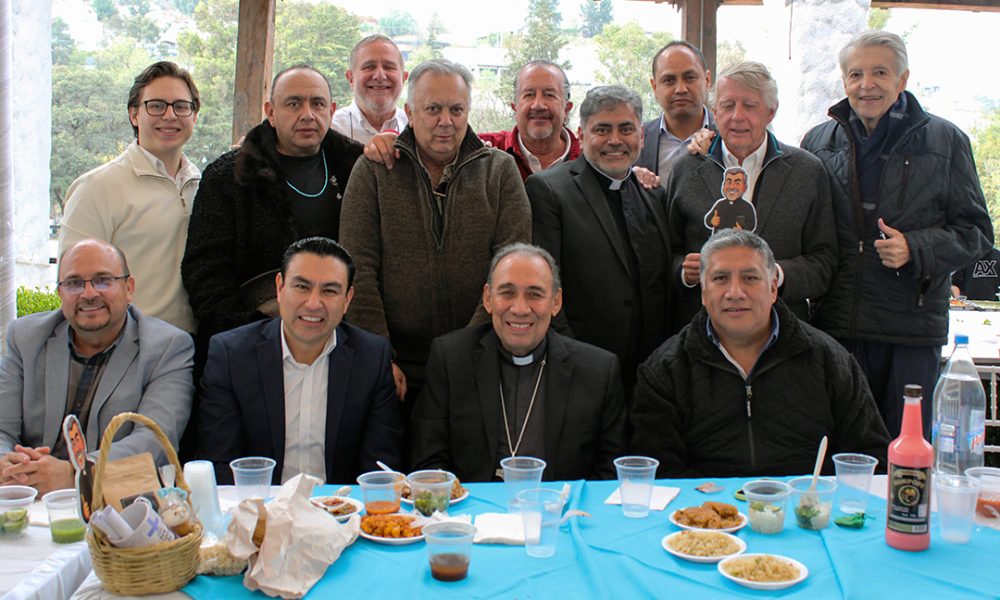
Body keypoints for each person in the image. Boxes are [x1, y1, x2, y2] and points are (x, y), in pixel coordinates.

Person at [801, 31, 993, 437]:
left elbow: (976, 234)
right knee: (837, 454)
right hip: (836, 327)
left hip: (910, 330)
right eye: (855, 74)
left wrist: (915, 247)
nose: (866, 84)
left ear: (902, 79)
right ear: (844, 81)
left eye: (879, 72)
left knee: (904, 458)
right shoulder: (819, 142)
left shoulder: (945, 140)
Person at [339, 59, 531, 406]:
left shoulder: (500, 172)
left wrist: (468, 353)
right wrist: (378, 356)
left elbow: (510, 269)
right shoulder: (374, 172)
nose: (446, 121)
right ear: (410, 112)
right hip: (394, 367)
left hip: (481, 361)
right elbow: (358, 270)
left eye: (457, 109)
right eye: (433, 109)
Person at [629, 230, 889, 478]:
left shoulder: (830, 361)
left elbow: (870, 460)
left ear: (774, 288)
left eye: (750, 278)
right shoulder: (665, 370)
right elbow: (659, 474)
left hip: (806, 515)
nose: (735, 293)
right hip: (704, 518)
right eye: (720, 279)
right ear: (703, 293)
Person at [411, 243, 627, 482]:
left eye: (535, 294)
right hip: (471, 513)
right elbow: (428, 464)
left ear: (556, 302)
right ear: (488, 298)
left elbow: (610, 473)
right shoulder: (450, 359)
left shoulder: (598, 371)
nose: (520, 309)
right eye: (507, 293)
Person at [198, 237, 402, 485]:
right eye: (302, 287)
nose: (314, 303)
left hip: (342, 513)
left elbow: (379, 470)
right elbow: (220, 466)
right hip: (259, 513)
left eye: (329, 290)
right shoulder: (231, 355)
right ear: (280, 288)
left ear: (347, 299)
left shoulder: (371, 358)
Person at [182, 64, 363, 342]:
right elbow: (205, 271)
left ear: (332, 109)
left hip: (342, 337)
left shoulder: (357, 170)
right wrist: (255, 334)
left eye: (317, 103)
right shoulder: (230, 176)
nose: (307, 114)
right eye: (293, 103)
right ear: (271, 112)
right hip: (249, 338)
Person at [0, 239, 194, 495]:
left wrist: (77, 474)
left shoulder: (167, 348)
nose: (88, 294)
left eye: (103, 280)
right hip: (26, 496)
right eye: (74, 283)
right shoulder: (25, 338)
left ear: (129, 288)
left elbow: (155, 441)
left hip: (118, 504)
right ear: (60, 293)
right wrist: (8, 462)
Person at [666, 61, 837, 328]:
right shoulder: (686, 169)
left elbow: (824, 262)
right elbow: (666, 253)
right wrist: (683, 272)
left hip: (783, 331)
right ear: (714, 110)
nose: (737, 116)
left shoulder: (806, 171)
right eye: (728, 105)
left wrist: (773, 275)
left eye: (750, 105)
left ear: (770, 112)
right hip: (701, 330)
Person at [525, 85, 671, 393]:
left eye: (626, 129)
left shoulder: (655, 194)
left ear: (641, 137)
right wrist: (573, 359)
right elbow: (546, 288)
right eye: (602, 129)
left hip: (653, 373)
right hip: (582, 371)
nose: (615, 140)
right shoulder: (549, 190)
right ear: (581, 134)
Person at [60, 61, 201, 333]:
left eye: (181, 106)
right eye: (157, 105)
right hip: (126, 348)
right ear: (134, 115)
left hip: (193, 347)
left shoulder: (200, 184)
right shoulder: (97, 188)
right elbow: (73, 283)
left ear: (194, 116)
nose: (170, 115)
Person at [360, 60, 580, 182]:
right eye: (529, 95)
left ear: (567, 107)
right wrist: (390, 141)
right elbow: (434, 139)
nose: (538, 105)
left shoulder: (586, 161)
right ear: (514, 107)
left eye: (550, 95)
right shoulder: (486, 150)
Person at [636, 41, 715, 183]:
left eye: (689, 78)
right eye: (669, 80)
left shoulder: (728, 137)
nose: (681, 89)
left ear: (707, 80)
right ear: (654, 87)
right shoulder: (636, 140)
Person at [332, 34, 408, 144]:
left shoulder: (417, 129)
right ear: (351, 78)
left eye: (389, 67)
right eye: (369, 67)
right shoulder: (331, 129)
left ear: (403, 78)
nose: (380, 75)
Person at [704, 166, 756, 233]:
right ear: (723, 185)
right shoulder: (720, 204)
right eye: (729, 182)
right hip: (719, 241)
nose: (732, 187)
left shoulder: (747, 207)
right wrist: (711, 221)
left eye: (737, 183)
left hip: (738, 241)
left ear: (745, 187)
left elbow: (751, 224)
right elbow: (708, 219)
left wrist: (743, 229)